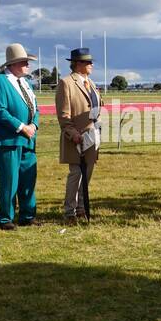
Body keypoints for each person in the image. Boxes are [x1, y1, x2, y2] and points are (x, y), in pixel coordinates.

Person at [0, 43, 40, 230]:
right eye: (24, 62)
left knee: (28, 178)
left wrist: (33, 124)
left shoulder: (26, 83)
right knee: (9, 180)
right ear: (13, 63)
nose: (28, 65)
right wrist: (21, 127)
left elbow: (35, 108)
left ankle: (27, 214)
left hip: (28, 139)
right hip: (9, 139)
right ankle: (5, 217)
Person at [55, 48, 101, 225]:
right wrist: (72, 133)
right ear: (78, 64)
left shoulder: (91, 83)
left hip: (92, 134)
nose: (91, 65)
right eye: (88, 62)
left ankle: (82, 208)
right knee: (76, 173)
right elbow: (64, 114)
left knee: (87, 173)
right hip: (77, 137)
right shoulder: (66, 83)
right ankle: (70, 211)